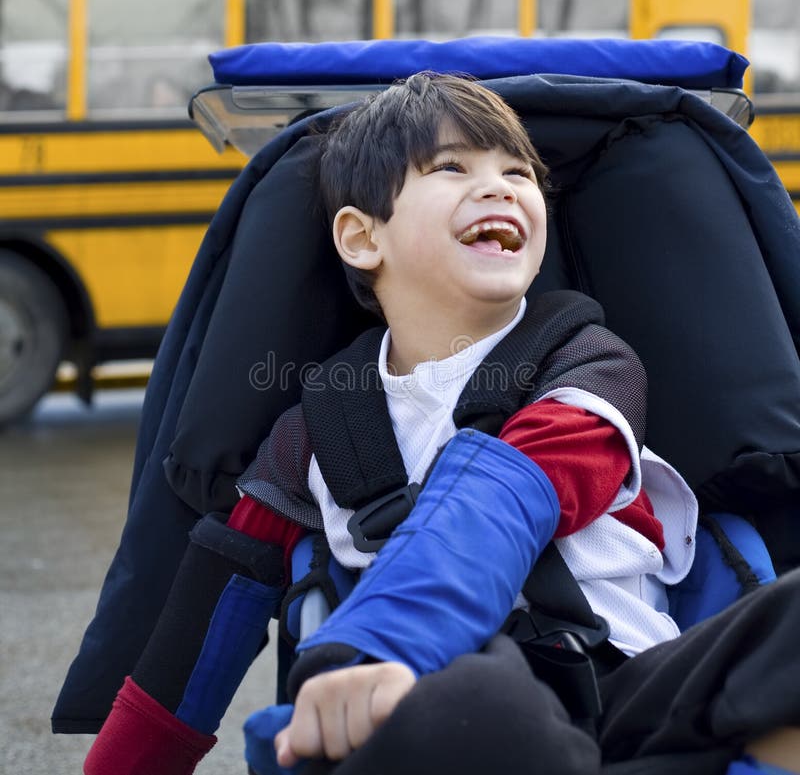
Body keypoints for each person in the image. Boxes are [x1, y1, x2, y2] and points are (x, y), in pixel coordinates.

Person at [84, 73, 800, 775]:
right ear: (362, 238)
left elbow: (500, 502)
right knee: (473, 699)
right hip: (439, 709)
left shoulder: (593, 365)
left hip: (633, 699)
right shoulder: (313, 433)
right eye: (452, 166)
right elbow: (197, 630)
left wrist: (380, 636)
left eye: (519, 171)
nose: (500, 186)